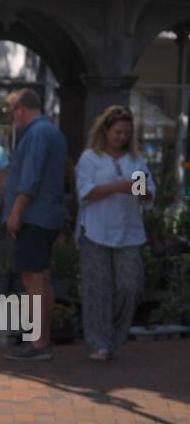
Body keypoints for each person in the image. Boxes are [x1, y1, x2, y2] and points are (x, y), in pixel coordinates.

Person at [75, 105, 153, 361]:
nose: (122, 137)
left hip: (128, 231)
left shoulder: (136, 161)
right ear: (106, 131)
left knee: (130, 285)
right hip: (95, 230)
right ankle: (99, 344)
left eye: (127, 133)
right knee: (97, 289)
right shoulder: (90, 158)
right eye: (118, 132)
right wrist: (117, 187)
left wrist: (140, 190)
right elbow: (85, 193)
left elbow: (146, 194)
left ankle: (114, 336)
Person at [2, 88, 68, 361]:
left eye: (12, 113)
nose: (12, 119)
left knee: (33, 278)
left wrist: (15, 213)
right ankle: (41, 340)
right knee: (41, 277)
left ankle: (38, 343)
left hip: (35, 216)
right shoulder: (50, 131)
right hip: (46, 215)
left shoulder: (37, 134)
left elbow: (30, 178)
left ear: (20, 109)